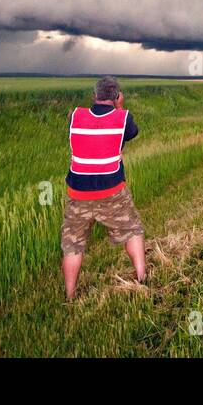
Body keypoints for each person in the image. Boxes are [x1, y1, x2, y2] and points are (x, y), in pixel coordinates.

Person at [61, 75, 146, 299]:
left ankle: (69, 295)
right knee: (132, 230)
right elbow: (131, 133)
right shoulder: (123, 117)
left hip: (77, 191)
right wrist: (121, 107)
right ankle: (141, 278)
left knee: (73, 245)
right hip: (111, 190)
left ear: (94, 96)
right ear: (117, 97)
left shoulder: (75, 116)